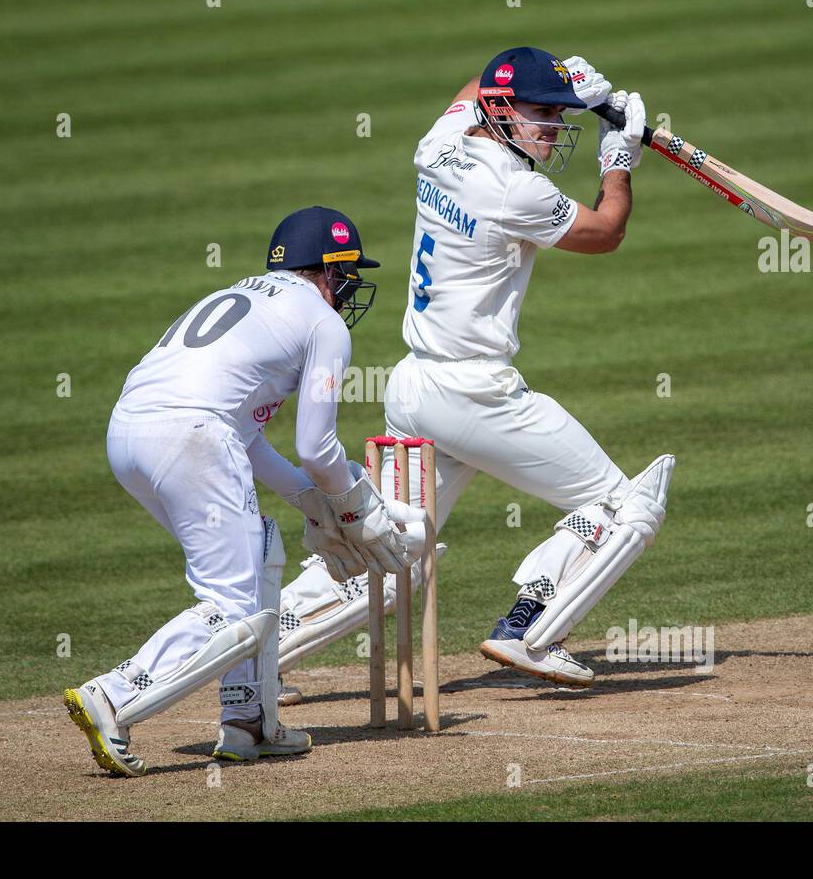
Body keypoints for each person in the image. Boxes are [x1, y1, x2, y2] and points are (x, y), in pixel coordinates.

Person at [277, 48, 674, 701]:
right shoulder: (516, 188)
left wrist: (565, 77)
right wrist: (618, 159)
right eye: (541, 113)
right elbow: (605, 232)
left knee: (390, 545)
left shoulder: (441, 142)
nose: (552, 127)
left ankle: (262, 649)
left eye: (557, 113)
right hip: (474, 393)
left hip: (414, 386)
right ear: (499, 111)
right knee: (628, 506)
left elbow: (476, 81)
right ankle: (530, 628)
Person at [63, 206, 422, 776]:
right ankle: (113, 695)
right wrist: (357, 507)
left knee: (261, 555)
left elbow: (250, 439)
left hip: (128, 433)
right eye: (347, 272)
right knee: (232, 606)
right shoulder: (322, 323)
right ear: (328, 270)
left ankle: (250, 721)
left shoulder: (242, 296)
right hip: (193, 435)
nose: (351, 287)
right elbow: (317, 447)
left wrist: (311, 501)